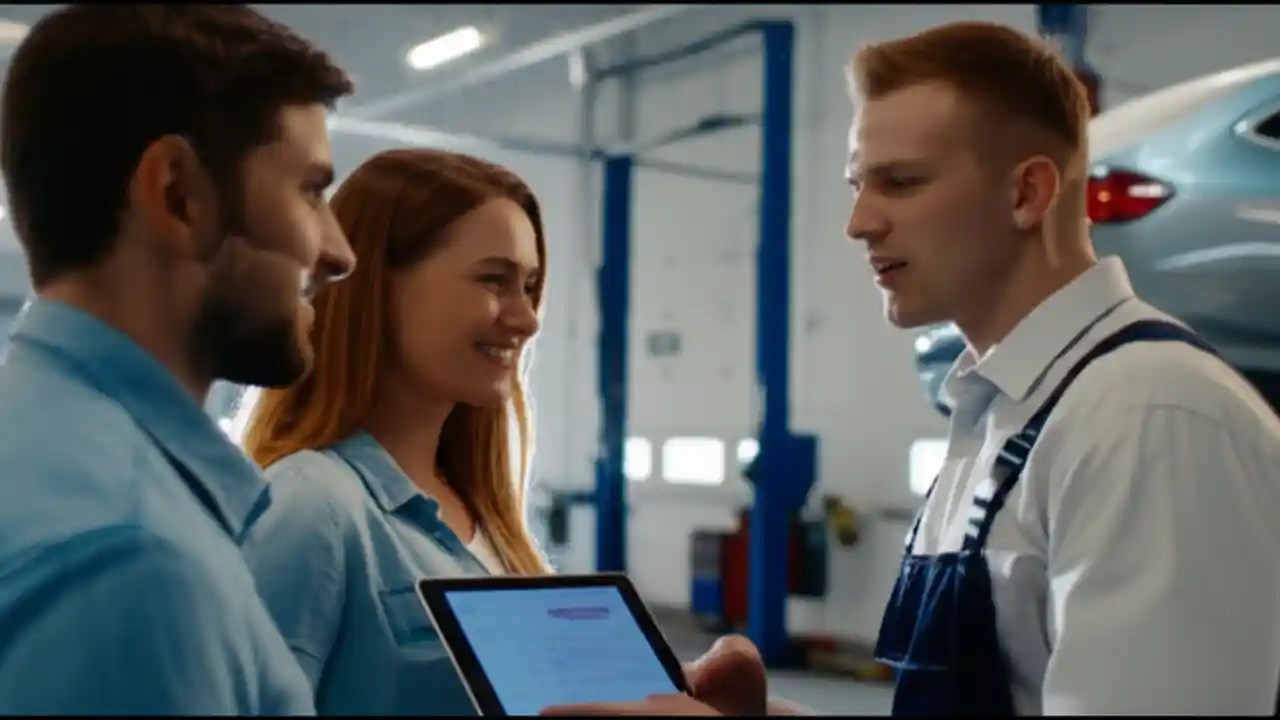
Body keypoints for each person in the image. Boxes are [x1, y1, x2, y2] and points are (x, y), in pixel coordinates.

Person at [541, 20, 1280, 717]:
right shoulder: (999, 413)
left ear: (1027, 193)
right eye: (858, 186)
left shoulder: (1146, 416)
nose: (860, 223)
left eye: (900, 183)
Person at [0, 5, 357, 714]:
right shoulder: (132, 558)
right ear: (178, 194)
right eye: (311, 193)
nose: (338, 252)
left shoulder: (35, 446)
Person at [236, 148, 552, 715]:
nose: (526, 318)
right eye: (494, 280)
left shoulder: (489, 520)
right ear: (378, 283)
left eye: (529, 286)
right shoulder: (312, 507)